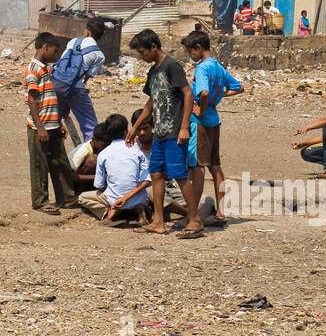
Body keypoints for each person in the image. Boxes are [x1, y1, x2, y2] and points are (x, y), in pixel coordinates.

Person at [125, 29, 200, 237]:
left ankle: (195, 219)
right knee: (156, 174)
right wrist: (135, 127)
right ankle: (158, 221)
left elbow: (187, 94)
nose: (142, 56)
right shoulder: (153, 71)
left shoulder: (171, 66)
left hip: (175, 132)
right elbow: (151, 102)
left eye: (143, 52)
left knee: (180, 176)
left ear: (154, 47)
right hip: (160, 133)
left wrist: (184, 127)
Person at [182, 30, 243, 226]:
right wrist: (220, 98)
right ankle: (221, 211)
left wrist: (202, 109)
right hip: (214, 121)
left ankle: (194, 214)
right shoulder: (218, 67)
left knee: (197, 167)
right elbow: (238, 87)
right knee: (214, 166)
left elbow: (204, 92)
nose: (190, 56)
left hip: (200, 123)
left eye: (190, 52)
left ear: (198, 48)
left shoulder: (202, 69)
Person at [24, 31, 77, 215]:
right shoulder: (34, 68)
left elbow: (49, 98)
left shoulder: (46, 68)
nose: (56, 56)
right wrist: (40, 127)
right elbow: (32, 99)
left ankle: (67, 198)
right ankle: (40, 201)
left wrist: (58, 121)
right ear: (45, 47)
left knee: (60, 162)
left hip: (52, 125)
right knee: (40, 165)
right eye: (54, 51)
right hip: (40, 127)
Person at [77, 114, 149, 224]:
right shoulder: (137, 151)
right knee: (142, 194)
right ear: (126, 132)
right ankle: (139, 209)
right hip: (138, 197)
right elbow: (146, 178)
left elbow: (99, 186)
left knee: (82, 197)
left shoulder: (103, 154)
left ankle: (109, 212)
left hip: (114, 199)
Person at [51, 17, 107, 144]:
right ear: (100, 36)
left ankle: (54, 152)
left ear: (87, 31)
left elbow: (63, 63)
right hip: (76, 89)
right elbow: (85, 78)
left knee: (54, 121)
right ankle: (92, 153)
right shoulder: (99, 55)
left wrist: (65, 101)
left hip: (56, 84)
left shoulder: (74, 41)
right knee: (89, 124)